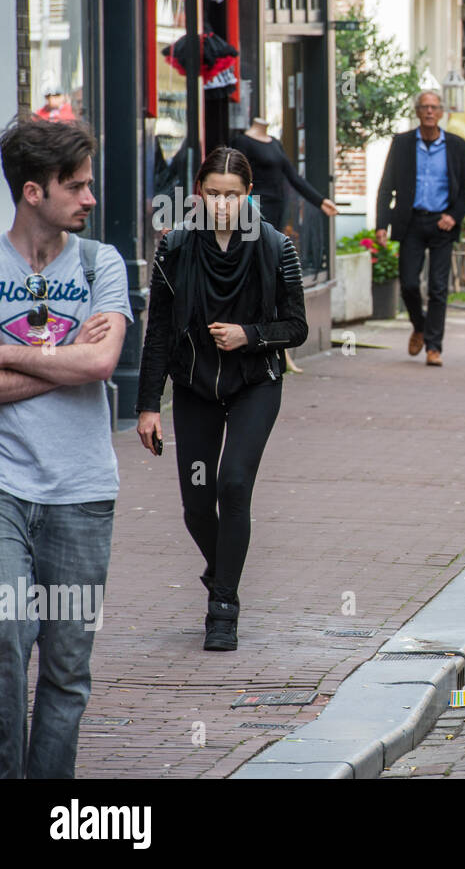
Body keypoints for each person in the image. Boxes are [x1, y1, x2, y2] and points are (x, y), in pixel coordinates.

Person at [135, 147, 307, 652]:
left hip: (255, 383)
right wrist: (148, 406)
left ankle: (223, 607)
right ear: (198, 194)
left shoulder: (275, 247)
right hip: (195, 386)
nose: (224, 205)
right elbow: (158, 332)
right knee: (196, 503)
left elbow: (296, 327)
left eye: (233, 196)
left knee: (233, 484)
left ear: (249, 195)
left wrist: (249, 335)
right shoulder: (175, 247)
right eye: (214, 194)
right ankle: (223, 569)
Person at [0, 118, 130, 778]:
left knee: (67, 666)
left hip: (82, 493)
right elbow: (81, 362)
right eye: (75, 186)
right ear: (33, 191)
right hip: (6, 488)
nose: (90, 198)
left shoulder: (101, 263)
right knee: (5, 638)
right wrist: (65, 358)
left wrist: (7, 355)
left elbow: (101, 363)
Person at [230, 118, 336, 376]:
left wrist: (320, 201)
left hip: (275, 217)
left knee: (273, 278)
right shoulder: (243, 142)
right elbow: (235, 181)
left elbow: (294, 177)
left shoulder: (275, 143)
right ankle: (263, 343)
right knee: (260, 278)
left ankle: (279, 347)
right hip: (254, 215)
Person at [374, 91, 465, 367]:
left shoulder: (456, 145)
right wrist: (381, 225)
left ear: (441, 113)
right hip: (411, 222)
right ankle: (419, 325)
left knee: (439, 288)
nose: (429, 111)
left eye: (434, 107)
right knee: (408, 283)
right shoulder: (402, 143)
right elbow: (386, 186)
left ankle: (434, 346)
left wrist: (453, 216)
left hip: (442, 224)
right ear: (417, 111)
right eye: (424, 107)